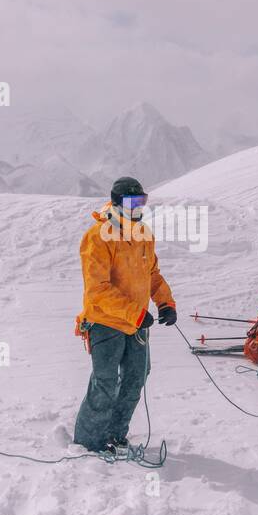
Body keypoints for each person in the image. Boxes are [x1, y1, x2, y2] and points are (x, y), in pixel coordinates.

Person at [73, 176, 177, 452]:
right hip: (106, 322)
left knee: (135, 378)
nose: (137, 207)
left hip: (136, 323)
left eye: (141, 201)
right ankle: (88, 442)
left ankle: (115, 434)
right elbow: (97, 290)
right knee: (105, 383)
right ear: (117, 202)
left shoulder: (143, 233)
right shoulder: (98, 237)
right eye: (132, 202)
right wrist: (135, 314)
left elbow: (152, 274)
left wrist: (165, 303)